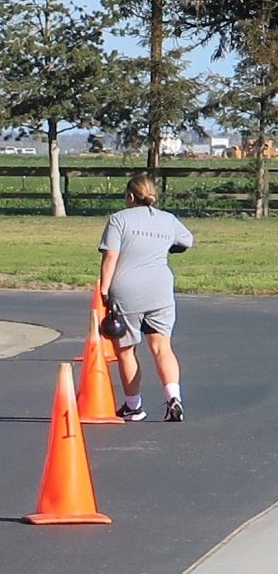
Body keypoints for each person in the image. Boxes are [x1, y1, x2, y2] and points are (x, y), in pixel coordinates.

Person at [98, 172, 193, 422]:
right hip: (160, 288)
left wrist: (104, 290)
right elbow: (187, 241)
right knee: (162, 347)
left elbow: (110, 257)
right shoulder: (167, 219)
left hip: (127, 290)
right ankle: (174, 397)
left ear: (130, 196)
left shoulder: (119, 219)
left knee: (127, 349)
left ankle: (133, 406)